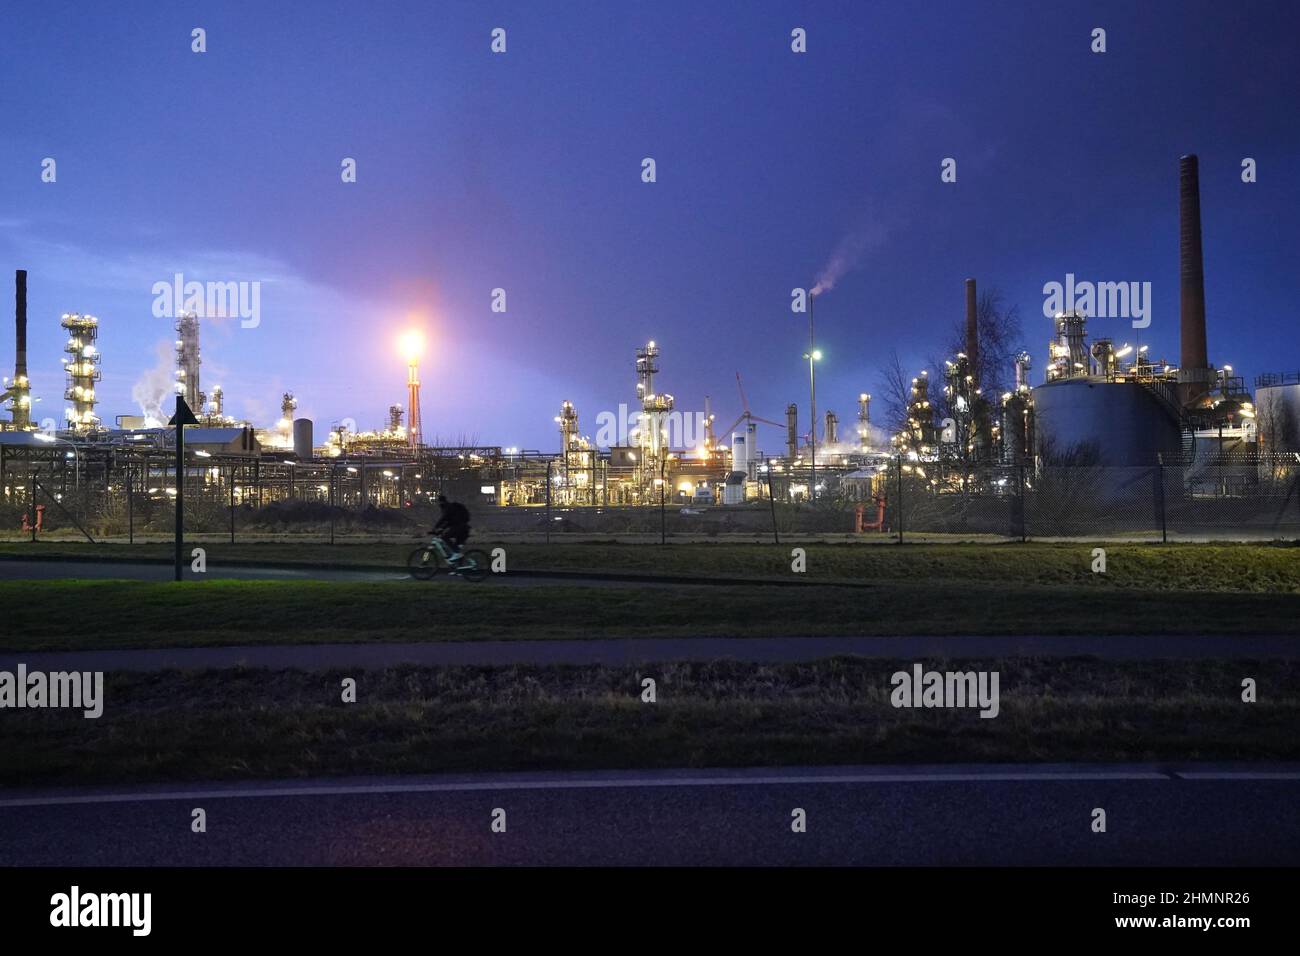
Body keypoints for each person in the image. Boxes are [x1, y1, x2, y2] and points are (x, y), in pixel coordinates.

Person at [432, 493, 471, 561]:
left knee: (445, 537)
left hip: (460, 528)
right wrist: (442, 528)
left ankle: (456, 554)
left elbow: (444, 519)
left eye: (439, 503)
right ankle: (456, 568)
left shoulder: (448, 508)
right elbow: (449, 522)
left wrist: (435, 527)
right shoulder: (450, 507)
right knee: (455, 549)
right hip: (464, 528)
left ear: (441, 502)